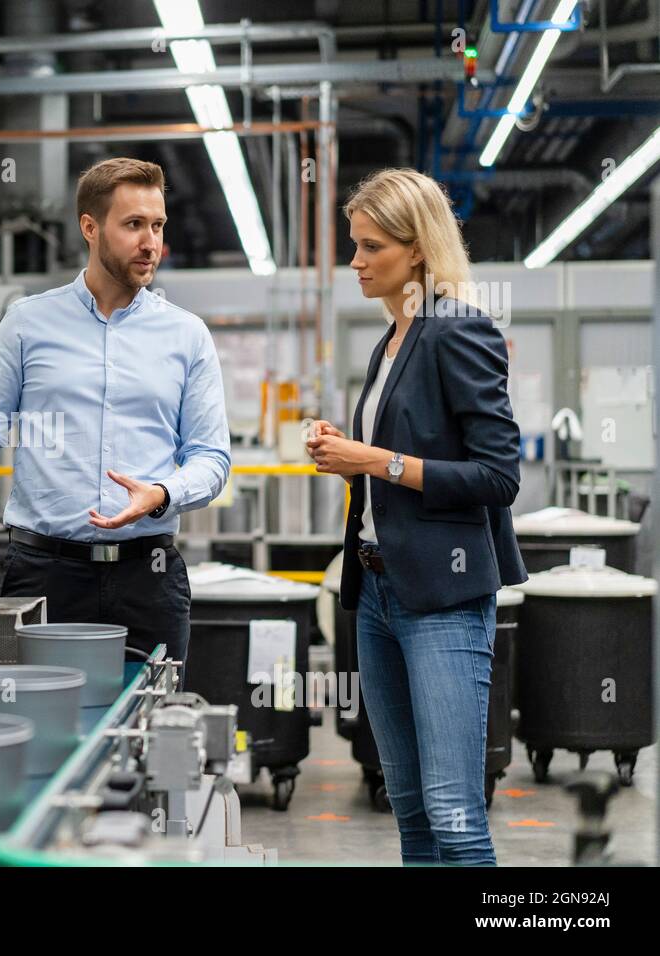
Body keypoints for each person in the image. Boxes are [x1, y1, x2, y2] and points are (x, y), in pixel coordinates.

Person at [0, 157, 231, 662]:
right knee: (39, 724)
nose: (150, 242)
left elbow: (211, 459)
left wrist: (162, 493)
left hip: (148, 575)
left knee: (151, 729)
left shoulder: (187, 335)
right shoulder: (28, 323)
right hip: (45, 574)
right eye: (133, 224)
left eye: (157, 225)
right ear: (90, 227)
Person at [306, 168, 528, 865]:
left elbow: (498, 477)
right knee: (410, 811)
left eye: (371, 247)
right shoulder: (393, 339)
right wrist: (345, 449)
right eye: (355, 245)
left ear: (419, 251)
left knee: (456, 817)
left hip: (442, 598)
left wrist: (374, 461)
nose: (356, 262)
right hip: (376, 592)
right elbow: (403, 446)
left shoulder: (458, 331)